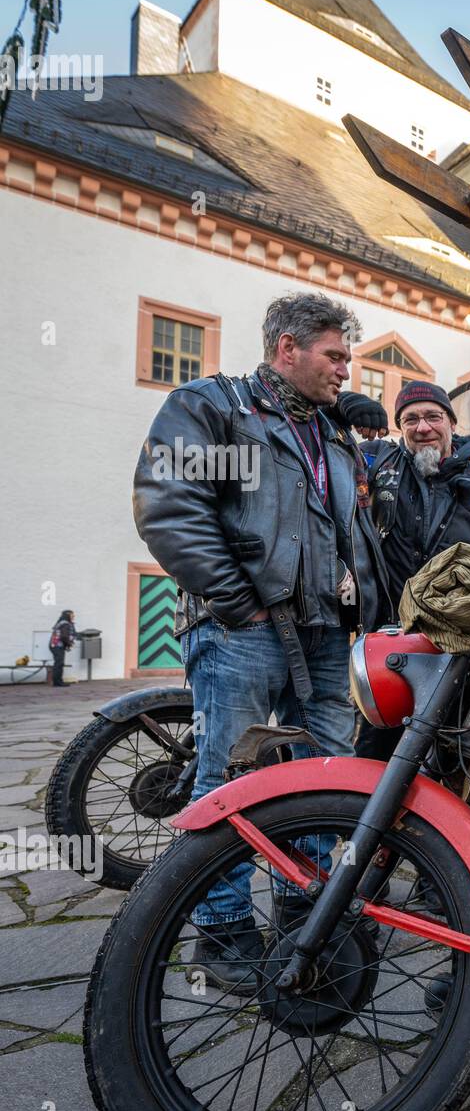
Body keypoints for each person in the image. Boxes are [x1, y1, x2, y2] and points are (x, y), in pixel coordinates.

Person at [134, 291, 392, 991]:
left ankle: (304, 914)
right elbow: (169, 504)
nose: (346, 370)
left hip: (324, 634)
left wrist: (369, 609)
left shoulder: (332, 434)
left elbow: (354, 534)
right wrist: (237, 600)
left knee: (328, 777)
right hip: (241, 629)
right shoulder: (212, 406)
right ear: (288, 348)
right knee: (231, 781)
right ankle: (220, 935)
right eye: (335, 356)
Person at [355, 378, 470, 760]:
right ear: (400, 428)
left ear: (451, 423)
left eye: (433, 416)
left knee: (461, 757)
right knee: (377, 757)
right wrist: (342, 409)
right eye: (410, 419)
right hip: (391, 644)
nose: (423, 428)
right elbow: (325, 455)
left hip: (467, 652)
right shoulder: (375, 466)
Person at [49, 610, 76, 687]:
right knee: (59, 664)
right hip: (57, 646)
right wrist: (69, 643)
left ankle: (57, 681)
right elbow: (64, 636)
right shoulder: (65, 624)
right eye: (72, 615)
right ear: (67, 615)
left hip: (55, 645)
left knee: (58, 663)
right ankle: (58, 682)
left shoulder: (62, 622)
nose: (73, 617)